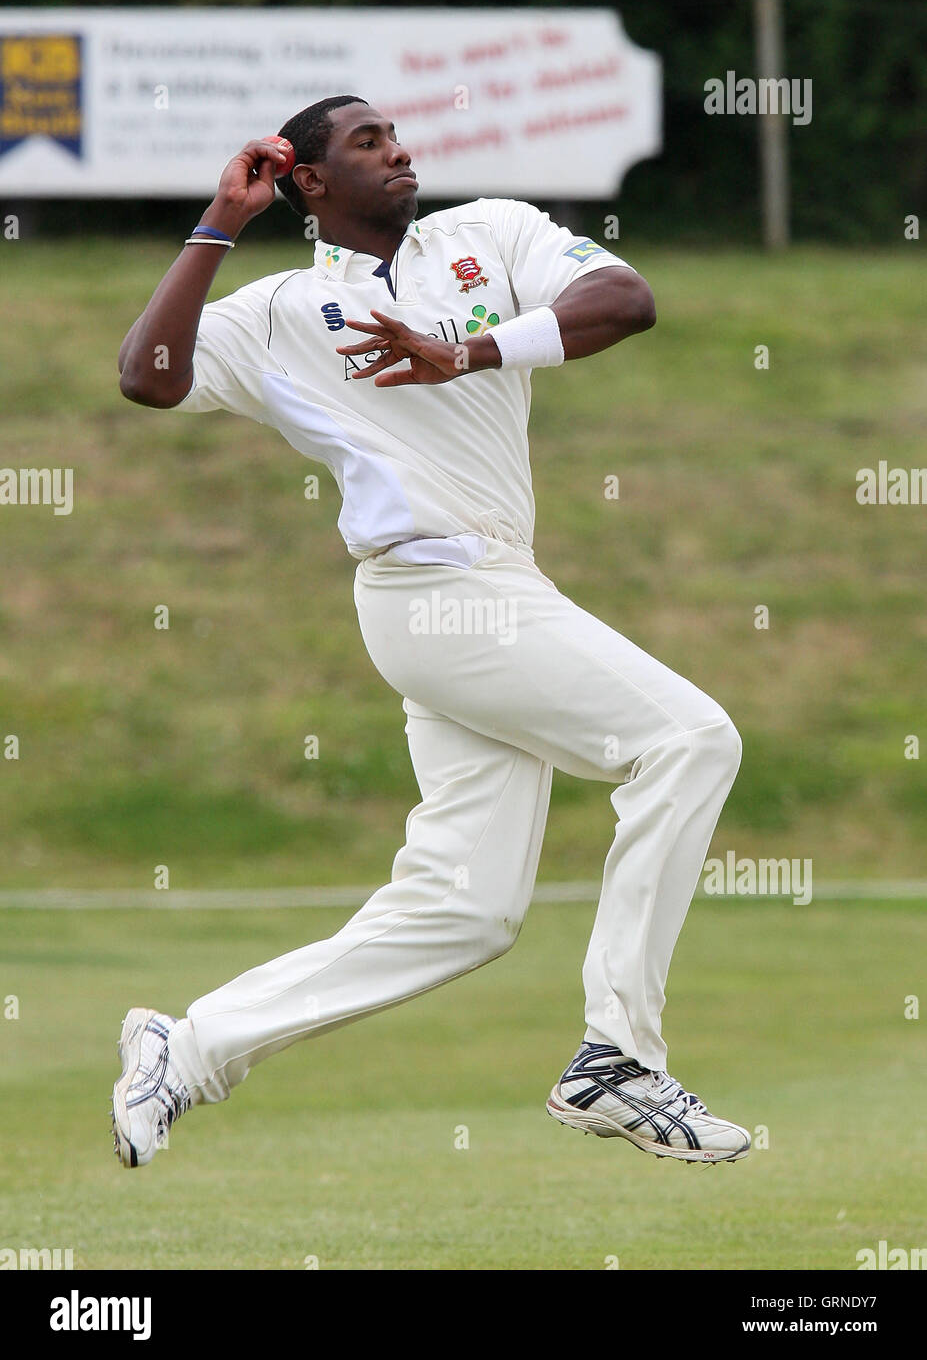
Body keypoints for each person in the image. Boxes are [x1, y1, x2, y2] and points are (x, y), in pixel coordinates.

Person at [113, 95, 749, 1170]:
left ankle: (191, 1045)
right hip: (433, 592)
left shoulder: (491, 233)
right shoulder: (281, 311)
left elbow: (624, 299)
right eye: (367, 142)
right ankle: (617, 1061)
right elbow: (148, 378)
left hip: (493, 586)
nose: (399, 151)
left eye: (397, 136)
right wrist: (221, 221)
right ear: (306, 181)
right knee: (690, 740)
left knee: (466, 909)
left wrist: (472, 353)